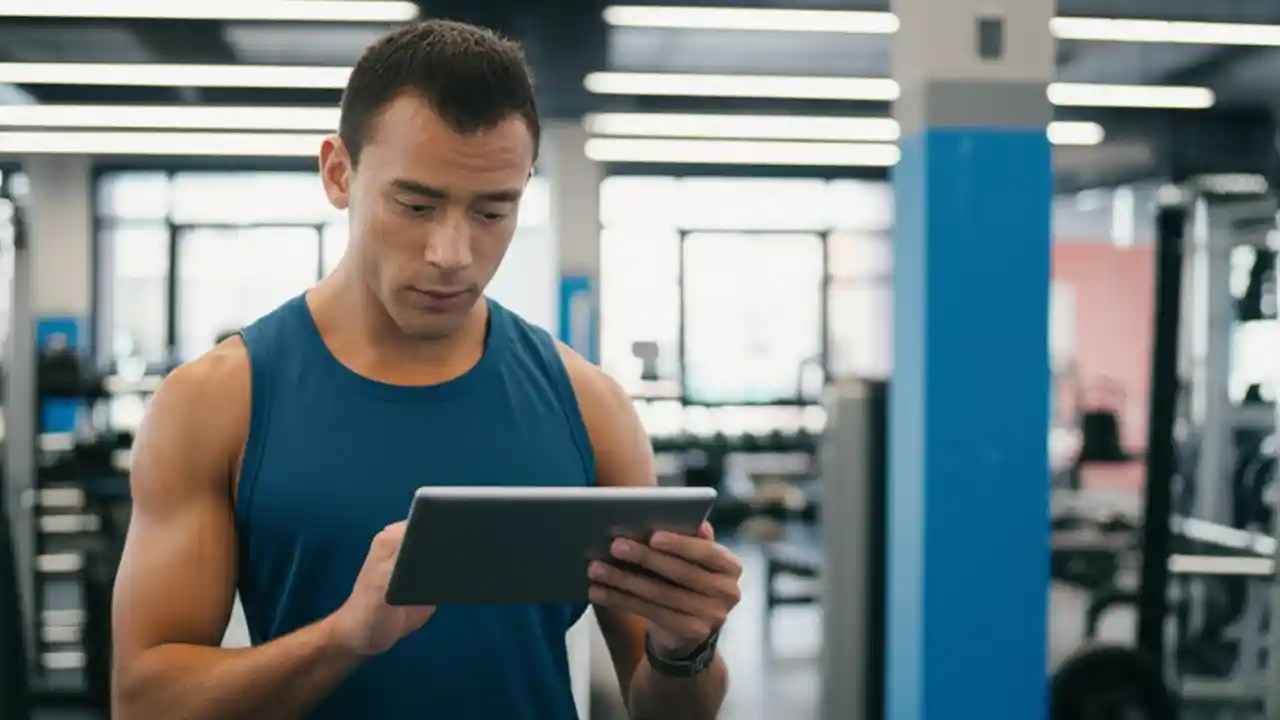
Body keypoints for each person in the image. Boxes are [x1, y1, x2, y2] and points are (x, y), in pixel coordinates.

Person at [110, 19, 741, 720]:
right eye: (416, 205)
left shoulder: (589, 405)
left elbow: (666, 712)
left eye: (492, 211)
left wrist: (683, 647)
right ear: (338, 172)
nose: (452, 253)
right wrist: (344, 639)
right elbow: (145, 702)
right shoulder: (218, 400)